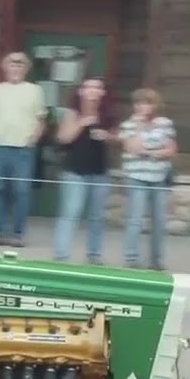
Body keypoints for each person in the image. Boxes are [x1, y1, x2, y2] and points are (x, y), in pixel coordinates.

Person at [52, 77, 116, 264]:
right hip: (74, 170)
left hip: (99, 170)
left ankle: (94, 255)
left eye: (97, 88)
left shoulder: (108, 115)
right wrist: (83, 122)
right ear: (81, 91)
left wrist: (107, 136)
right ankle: (62, 255)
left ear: (103, 93)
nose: (93, 91)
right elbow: (63, 138)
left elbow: (117, 138)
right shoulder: (72, 113)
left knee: (97, 216)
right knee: (71, 212)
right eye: (88, 87)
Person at [0, 52, 46, 246]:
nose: (16, 68)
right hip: (0, 146)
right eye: (12, 64)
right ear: (5, 68)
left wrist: (33, 139)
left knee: (21, 191)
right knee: (0, 189)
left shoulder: (35, 90)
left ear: (25, 69)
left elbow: (41, 119)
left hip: (23, 148)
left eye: (20, 65)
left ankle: (18, 234)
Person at [118, 88, 177, 270]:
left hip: (159, 177)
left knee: (159, 220)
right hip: (136, 176)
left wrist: (150, 152)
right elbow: (132, 147)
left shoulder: (165, 124)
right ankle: (131, 258)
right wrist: (138, 127)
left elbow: (171, 150)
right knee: (135, 219)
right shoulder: (128, 125)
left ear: (155, 105)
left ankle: (156, 260)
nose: (142, 107)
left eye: (147, 103)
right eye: (139, 103)